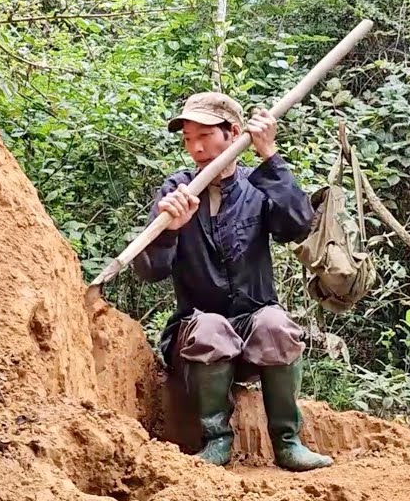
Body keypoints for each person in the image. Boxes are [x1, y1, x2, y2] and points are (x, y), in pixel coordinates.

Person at [133, 91, 332, 471]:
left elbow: (297, 226)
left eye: (205, 135)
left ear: (233, 133)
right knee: (210, 327)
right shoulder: (176, 191)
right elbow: (149, 271)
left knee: (276, 323)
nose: (196, 148)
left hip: (253, 334)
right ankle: (216, 440)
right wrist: (169, 232)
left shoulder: (258, 185)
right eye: (188, 139)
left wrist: (270, 157)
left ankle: (288, 442)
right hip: (197, 340)